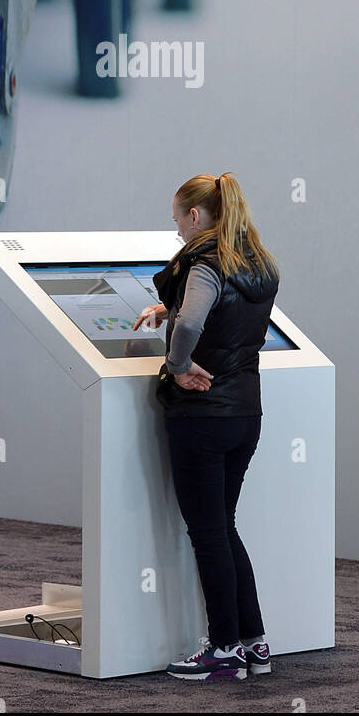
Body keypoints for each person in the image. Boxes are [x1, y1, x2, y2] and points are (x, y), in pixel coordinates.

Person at [133, 172, 279, 682]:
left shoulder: (205, 261)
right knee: (225, 526)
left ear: (196, 216)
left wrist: (177, 364)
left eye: (177, 219)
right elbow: (217, 316)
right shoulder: (257, 262)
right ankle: (254, 643)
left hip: (201, 414)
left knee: (208, 533)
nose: (176, 231)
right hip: (245, 413)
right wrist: (168, 308)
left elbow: (194, 323)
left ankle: (222, 650)